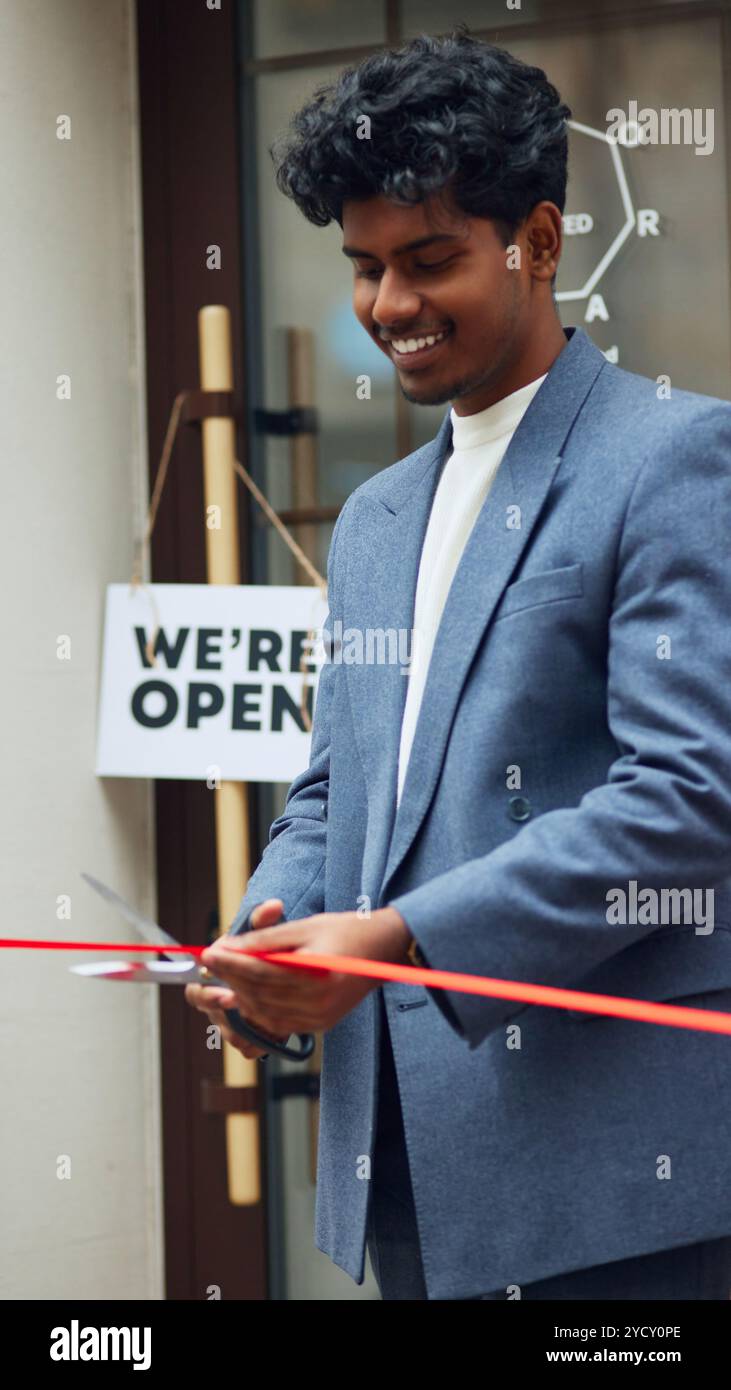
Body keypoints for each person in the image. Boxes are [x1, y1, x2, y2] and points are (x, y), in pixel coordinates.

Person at [186, 29, 731, 1300]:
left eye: (428, 260)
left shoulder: (673, 459)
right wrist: (265, 939)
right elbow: (338, 792)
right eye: (364, 267)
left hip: (617, 1186)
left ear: (538, 242)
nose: (388, 307)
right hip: (408, 1169)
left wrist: (398, 940)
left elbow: (688, 797)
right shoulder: (377, 516)